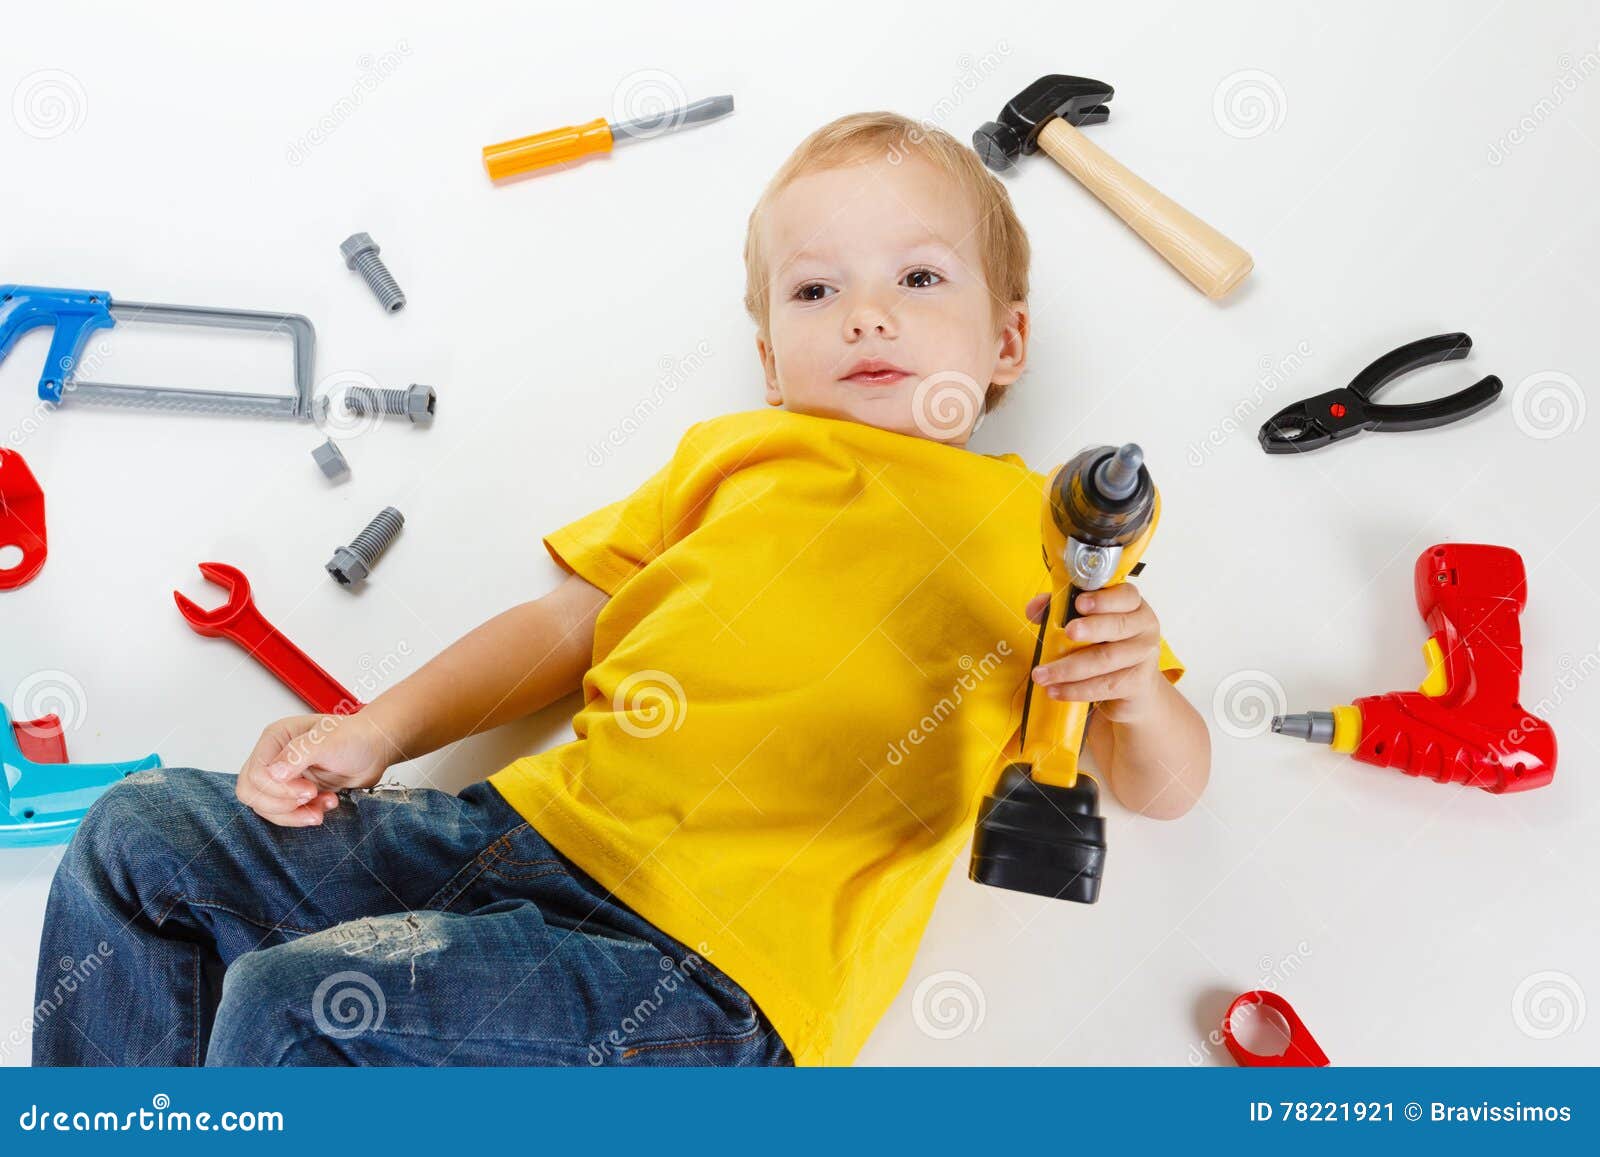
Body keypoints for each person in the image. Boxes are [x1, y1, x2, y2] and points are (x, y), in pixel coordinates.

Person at [33, 111, 1209, 1068]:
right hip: (510, 843)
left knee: (298, 1007)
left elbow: (1162, 784)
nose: (866, 311)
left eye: (916, 276)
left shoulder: (1043, 530)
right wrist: (375, 730)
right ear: (769, 359)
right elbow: (560, 625)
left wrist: (1136, 693)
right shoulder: (731, 456)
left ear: (1005, 343)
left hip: (706, 971)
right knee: (141, 834)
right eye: (814, 292)